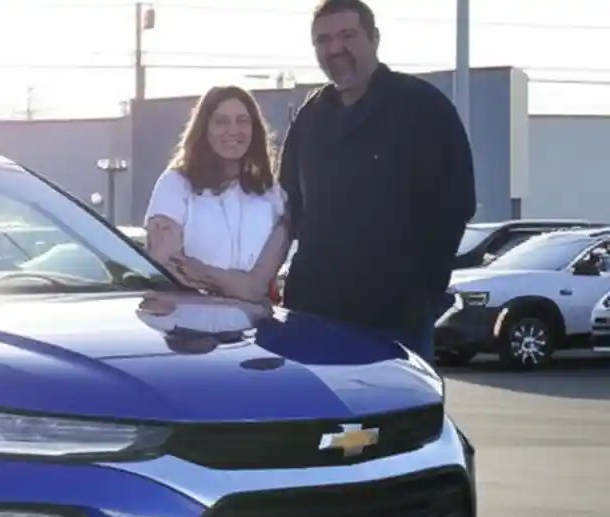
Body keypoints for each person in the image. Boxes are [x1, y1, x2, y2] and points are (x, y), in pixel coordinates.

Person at [278, 0, 476, 362]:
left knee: (393, 419)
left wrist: (421, 298)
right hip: (313, 319)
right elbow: (286, 208)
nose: (335, 48)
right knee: (319, 419)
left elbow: (455, 207)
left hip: (395, 326)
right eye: (323, 40)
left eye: (347, 35)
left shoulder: (423, 109)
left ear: (374, 39)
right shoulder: (311, 117)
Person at [142, 85, 291, 304]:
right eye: (221, 121)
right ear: (204, 128)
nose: (233, 130)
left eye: (242, 121)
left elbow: (258, 287)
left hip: (255, 328)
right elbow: (166, 266)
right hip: (193, 327)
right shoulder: (176, 183)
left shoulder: (270, 192)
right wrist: (240, 284)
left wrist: (205, 274)